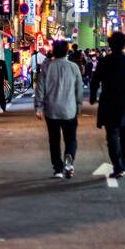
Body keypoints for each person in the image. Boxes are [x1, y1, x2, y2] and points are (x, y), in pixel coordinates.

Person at [89, 31, 125, 178]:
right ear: (124, 45)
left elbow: (95, 81)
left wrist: (92, 97)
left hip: (108, 102)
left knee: (111, 136)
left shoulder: (104, 61)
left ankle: (117, 165)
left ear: (110, 45)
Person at [35, 40, 84, 178]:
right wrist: (79, 104)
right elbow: (79, 88)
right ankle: (69, 158)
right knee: (71, 138)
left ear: (54, 51)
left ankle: (58, 168)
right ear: (67, 51)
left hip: (51, 110)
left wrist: (38, 107)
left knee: (54, 139)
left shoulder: (47, 67)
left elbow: (40, 88)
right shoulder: (73, 67)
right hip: (69, 109)